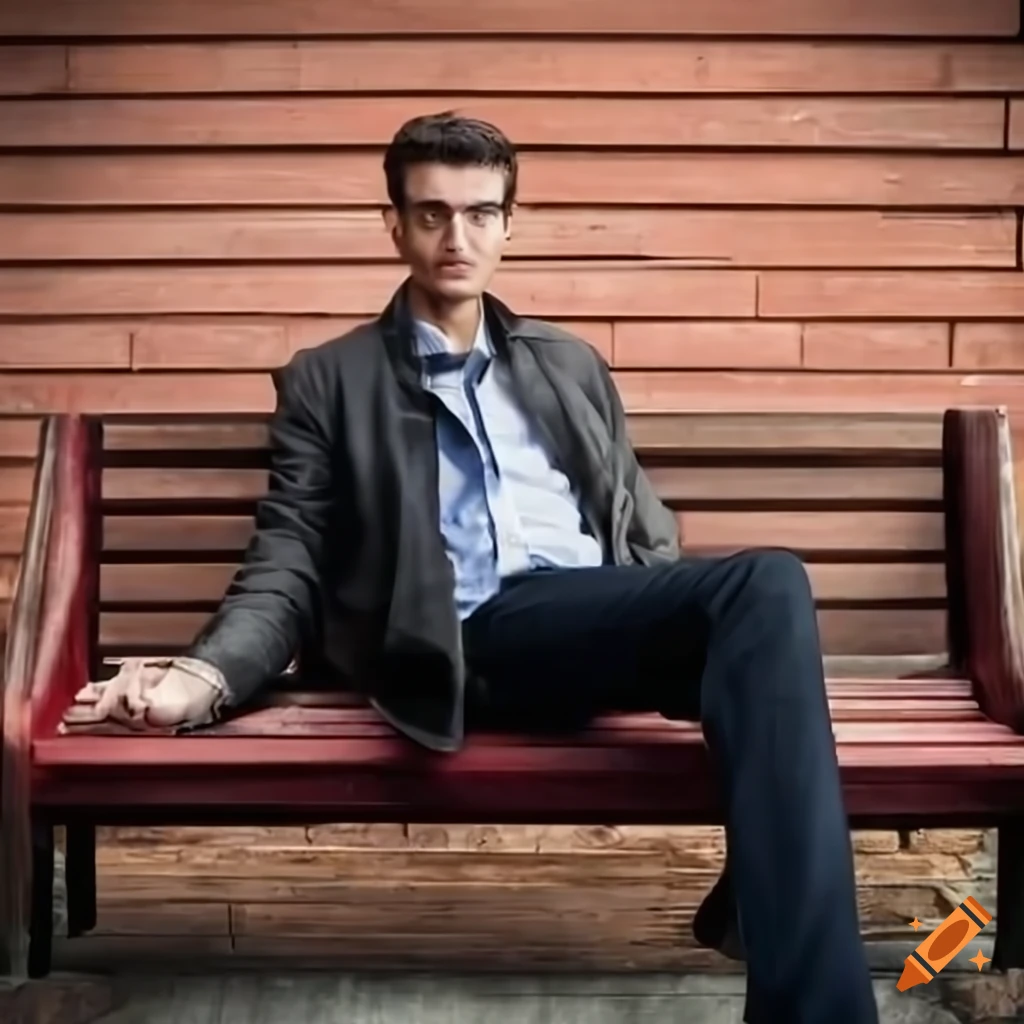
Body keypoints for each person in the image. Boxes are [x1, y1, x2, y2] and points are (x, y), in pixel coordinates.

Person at [63, 112, 878, 1023]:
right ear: (395, 225)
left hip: (589, 627)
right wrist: (204, 677)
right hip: (471, 640)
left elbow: (635, 520)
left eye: (482, 214)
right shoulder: (330, 380)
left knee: (769, 617)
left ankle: (764, 902)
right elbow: (287, 557)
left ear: (509, 223)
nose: (459, 238)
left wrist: (653, 601)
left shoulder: (566, 360)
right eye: (433, 214)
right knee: (770, 585)